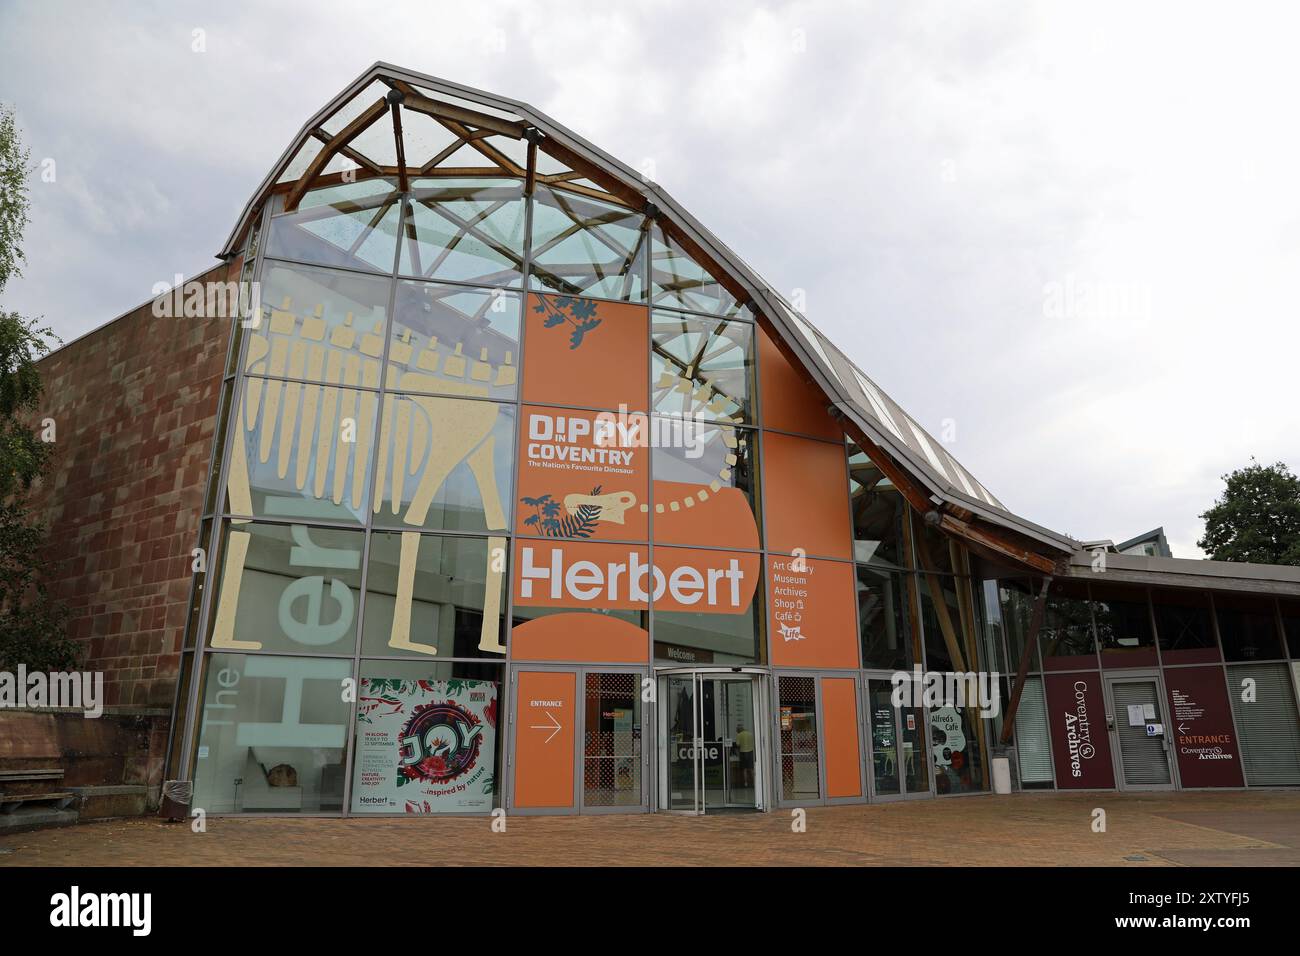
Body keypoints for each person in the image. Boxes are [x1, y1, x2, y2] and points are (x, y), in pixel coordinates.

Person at [734, 723, 755, 788]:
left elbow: (737, 745)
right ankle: (754, 782)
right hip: (751, 752)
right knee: (751, 768)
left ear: (738, 730)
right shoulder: (750, 734)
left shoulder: (739, 735)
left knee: (744, 769)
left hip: (743, 752)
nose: (736, 731)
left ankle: (746, 783)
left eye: (737, 730)